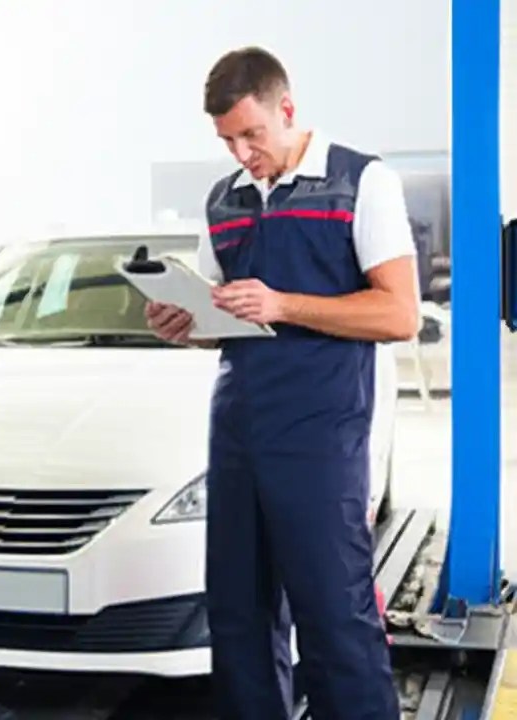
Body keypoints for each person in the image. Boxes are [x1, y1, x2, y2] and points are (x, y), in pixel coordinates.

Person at [146, 47, 419, 719]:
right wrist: (187, 323)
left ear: (286, 109)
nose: (242, 152)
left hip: (321, 434)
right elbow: (224, 316)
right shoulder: (224, 200)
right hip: (238, 428)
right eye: (227, 140)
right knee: (238, 614)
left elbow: (399, 312)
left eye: (252, 133)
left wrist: (284, 303)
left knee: (333, 614)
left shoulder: (362, 182)